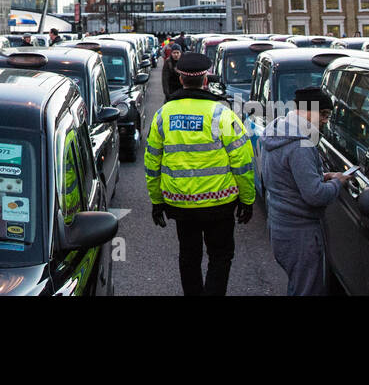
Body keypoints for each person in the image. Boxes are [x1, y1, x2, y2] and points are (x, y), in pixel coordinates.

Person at [146, 51, 256, 295]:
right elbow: (242, 162)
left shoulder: (163, 115)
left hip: (181, 203)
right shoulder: (221, 114)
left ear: (181, 79)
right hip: (219, 203)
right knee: (220, 256)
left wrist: (157, 201)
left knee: (188, 256)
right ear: (205, 79)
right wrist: (247, 200)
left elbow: (152, 162)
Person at [257, 86, 352, 295]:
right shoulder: (302, 145)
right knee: (307, 289)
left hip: (280, 227)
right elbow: (315, 196)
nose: (326, 120)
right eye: (324, 114)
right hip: (301, 234)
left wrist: (323, 177)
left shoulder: (277, 132)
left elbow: (284, 179)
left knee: (298, 285)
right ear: (309, 110)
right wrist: (338, 183)